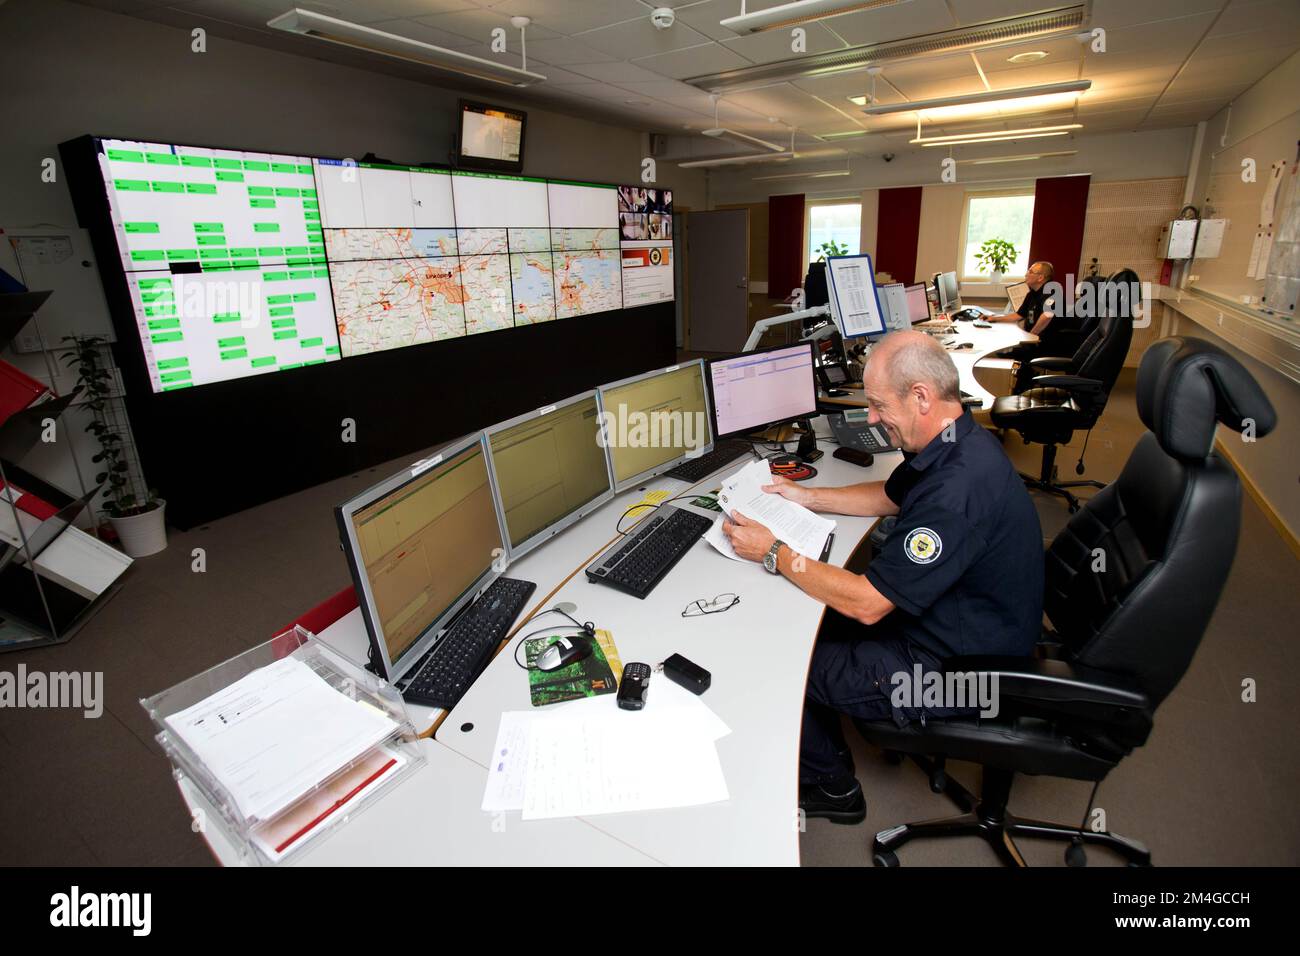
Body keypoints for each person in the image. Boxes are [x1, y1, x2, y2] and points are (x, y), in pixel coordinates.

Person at [721, 331, 1044, 823]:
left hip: (950, 670)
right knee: (803, 621)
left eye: (877, 405)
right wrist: (807, 497)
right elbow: (892, 496)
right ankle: (826, 749)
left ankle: (832, 788)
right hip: (963, 624)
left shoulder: (956, 494)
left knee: (785, 655)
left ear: (920, 396)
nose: (870, 418)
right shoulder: (955, 436)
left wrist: (775, 552)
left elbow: (869, 603)